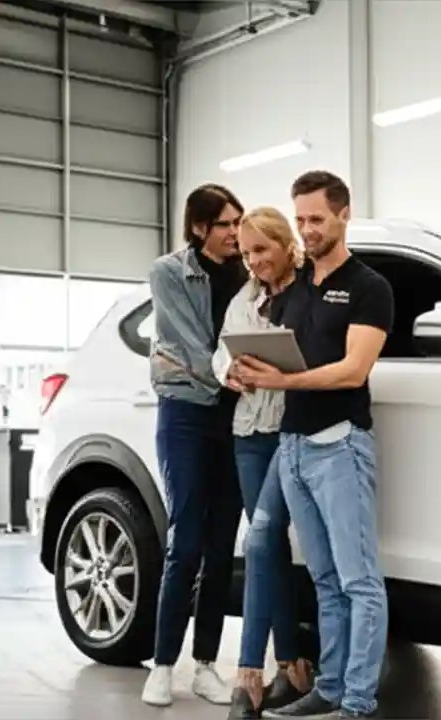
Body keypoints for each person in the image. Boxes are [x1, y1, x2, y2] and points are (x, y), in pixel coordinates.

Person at [231, 170, 393, 719]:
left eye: (316, 219)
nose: (307, 229)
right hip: (294, 448)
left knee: (359, 582)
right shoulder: (294, 292)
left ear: (344, 214)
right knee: (324, 580)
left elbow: (352, 370)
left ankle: (357, 702)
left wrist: (281, 382)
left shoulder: (370, 286)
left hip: (339, 445)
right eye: (300, 219)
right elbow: (280, 357)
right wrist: (244, 371)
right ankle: (327, 689)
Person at [142, 183, 249, 707]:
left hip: (235, 415)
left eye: (239, 222)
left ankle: (206, 663)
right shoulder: (169, 272)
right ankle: (162, 665)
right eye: (226, 223)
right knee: (185, 539)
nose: (235, 232)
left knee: (221, 543)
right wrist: (244, 374)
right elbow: (191, 345)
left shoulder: (249, 276)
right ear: (200, 227)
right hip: (186, 411)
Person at [210, 206, 316, 719]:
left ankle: (248, 675)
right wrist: (228, 370)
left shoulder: (306, 293)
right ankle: (291, 666)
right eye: (247, 253)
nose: (253, 262)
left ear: (285, 245)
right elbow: (220, 351)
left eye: (261, 251)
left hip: (292, 431)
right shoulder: (245, 299)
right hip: (250, 431)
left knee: (259, 540)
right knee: (266, 543)